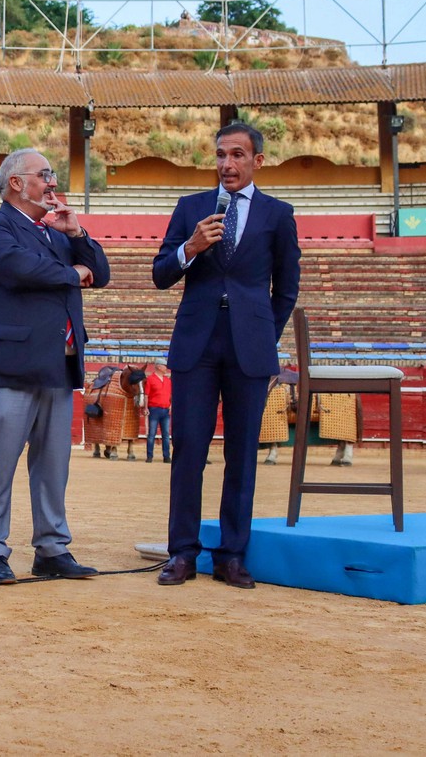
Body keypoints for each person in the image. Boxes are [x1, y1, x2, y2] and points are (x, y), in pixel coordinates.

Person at [151, 121, 301, 590]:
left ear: (257, 161)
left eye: (237, 155)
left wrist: (262, 335)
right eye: (220, 154)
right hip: (196, 343)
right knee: (188, 451)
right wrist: (190, 248)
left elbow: (286, 290)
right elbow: (160, 274)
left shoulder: (279, 214)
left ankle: (231, 555)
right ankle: (182, 553)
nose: (226, 164)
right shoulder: (190, 208)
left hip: (248, 348)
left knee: (242, 455)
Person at [0, 148, 111, 584]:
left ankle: (51, 548)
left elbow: (101, 272)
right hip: (10, 367)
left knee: (53, 466)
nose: (52, 183)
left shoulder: (59, 234)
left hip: (57, 364)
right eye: (43, 175)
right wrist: (74, 273)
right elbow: (21, 268)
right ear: (16, 183)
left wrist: (78, 232)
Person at [143, 359, 172, 464]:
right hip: (154, 409)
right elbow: (146, 395)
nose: (166, 368)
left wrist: (171, 405)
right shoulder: (150, 379)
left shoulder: (168, 380)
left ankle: (166, 456)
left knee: (166, 434)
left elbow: (170, 395)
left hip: (165, 409)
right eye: (164, 366)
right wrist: (146, 408)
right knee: (152, 434)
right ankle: (150, 456)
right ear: (159, 367)